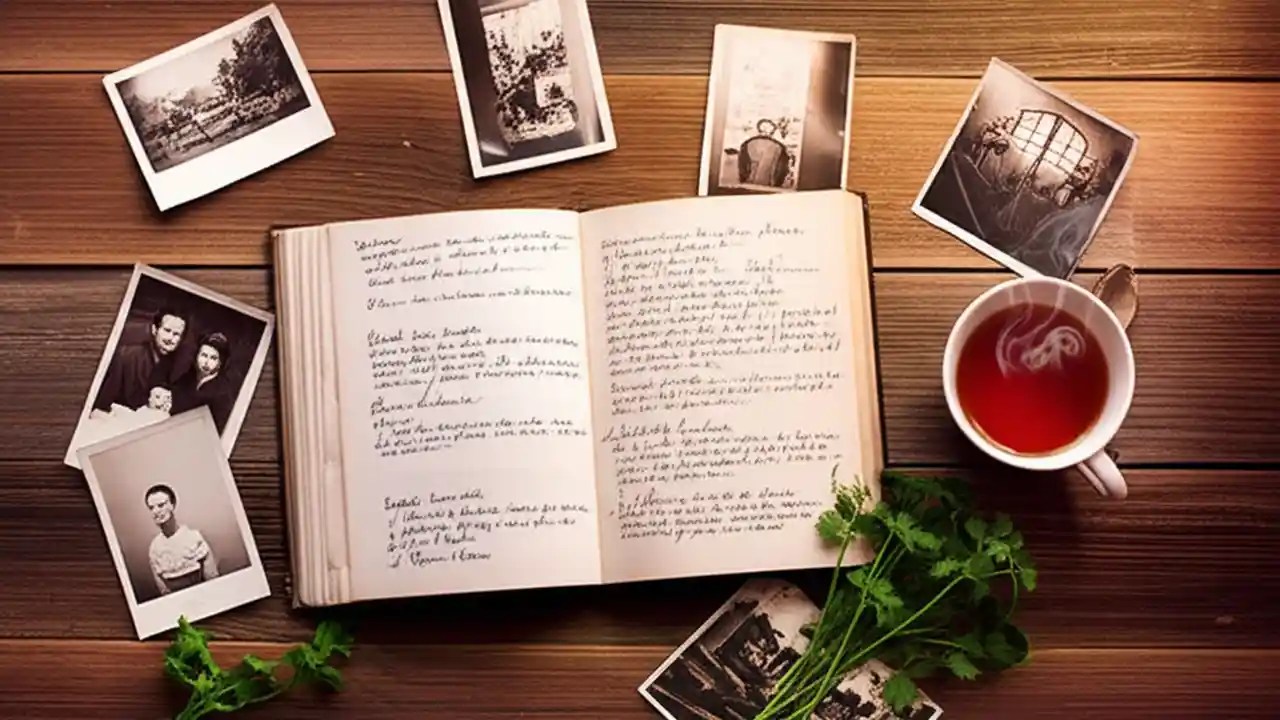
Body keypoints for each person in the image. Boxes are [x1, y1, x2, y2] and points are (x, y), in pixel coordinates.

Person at [94, 307, 187, 413]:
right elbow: (102, 404)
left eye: (176, 334)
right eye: (167, 330)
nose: (170, 338)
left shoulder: (170, 365)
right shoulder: (126, 356)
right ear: (154, 330)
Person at [145, 484, 218, 596]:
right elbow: (165, 592)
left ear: (172, 505)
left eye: (161, 505)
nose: (156, 511)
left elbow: (213, 580)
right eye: (151, 508)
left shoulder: (194, 538)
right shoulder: (154, 548)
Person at [172, 332, 236, 433]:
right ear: (197, 356)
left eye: (213, 358)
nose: (206, 362)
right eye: (204, 355)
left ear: (220, 362)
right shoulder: (187, 378)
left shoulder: (222, 393)